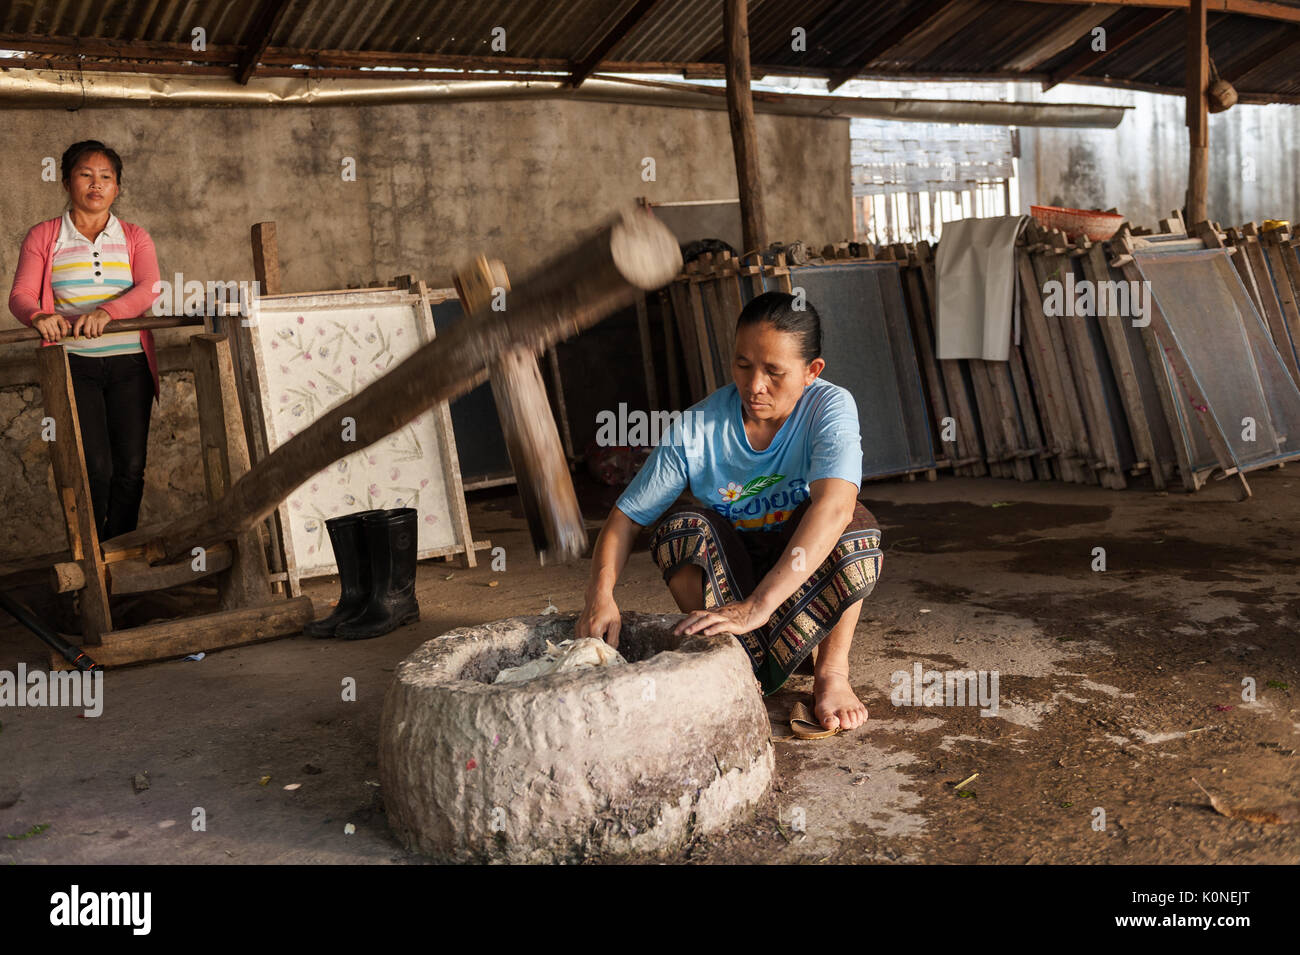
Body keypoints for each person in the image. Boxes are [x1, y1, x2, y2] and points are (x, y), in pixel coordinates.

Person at [577, 291, 883, 733]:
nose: (754, 385)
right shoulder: (697, 427)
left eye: (774, 372)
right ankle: (734, 662)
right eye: (743, 364)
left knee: (852, 525)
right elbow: (625, 519)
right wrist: (599, 596)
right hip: (730, 580)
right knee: (681, 530)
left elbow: (834, 506)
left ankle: (830, 674)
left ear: (811, 372)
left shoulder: (829, 407)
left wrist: (758, 605)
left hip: (799, 575)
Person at [8, 140, 162, 541]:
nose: (97, 184)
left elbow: (149, 288)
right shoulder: (45, 236)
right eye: (85, 175)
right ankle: (91, 558)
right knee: (95, 467)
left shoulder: (134, 236)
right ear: (66, 182)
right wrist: (39, 315)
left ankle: (118, 552)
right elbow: (21, 295)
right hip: (75, 365)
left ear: (117, 187)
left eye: (106, 177)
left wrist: (107, 312)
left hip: (130, 365)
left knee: (130, 467)